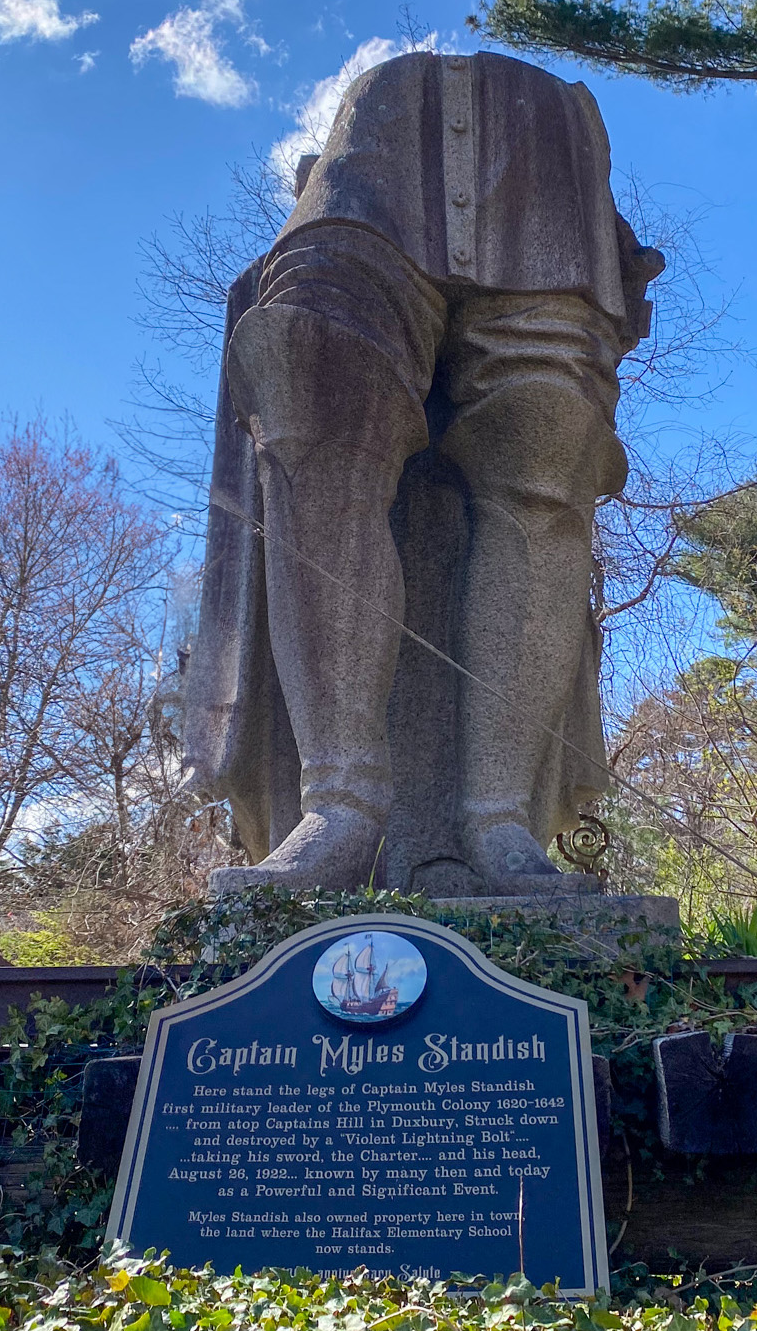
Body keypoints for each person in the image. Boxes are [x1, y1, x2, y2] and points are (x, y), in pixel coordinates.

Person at [183, 50, 663, 893]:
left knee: (548, 438)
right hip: (370, 151)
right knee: (313, 371)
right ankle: (337, 804)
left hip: (551, 159)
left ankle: (501, 822)